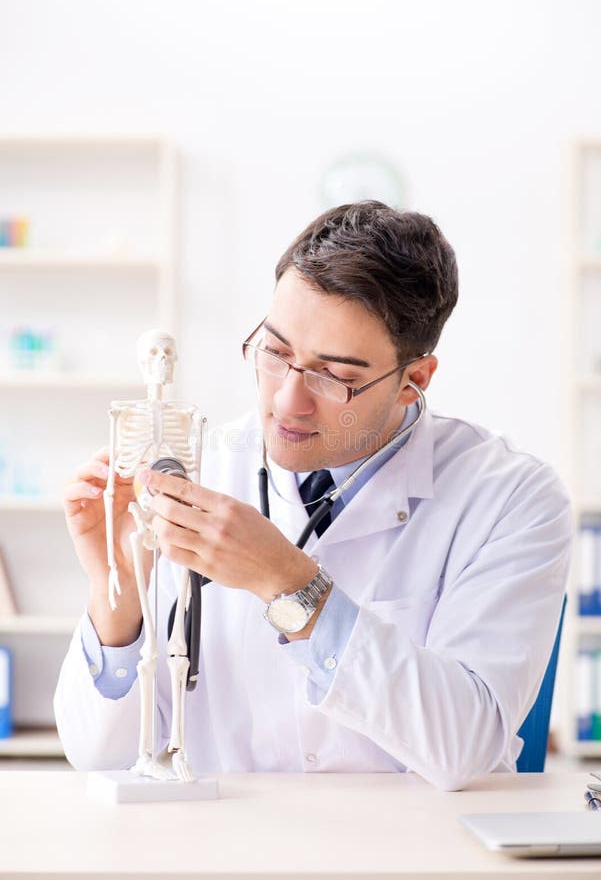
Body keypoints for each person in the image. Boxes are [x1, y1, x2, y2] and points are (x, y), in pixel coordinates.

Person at [55, 201, 572, 791]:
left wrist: (289, 583)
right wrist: (116, 593)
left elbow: (467, 749)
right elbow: (97, 755)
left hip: (416, 850)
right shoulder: (205, 466)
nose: (286, 402)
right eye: (275, 354)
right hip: (223, 844)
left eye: (335, 376)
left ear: (414, 380)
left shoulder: (511, 499)